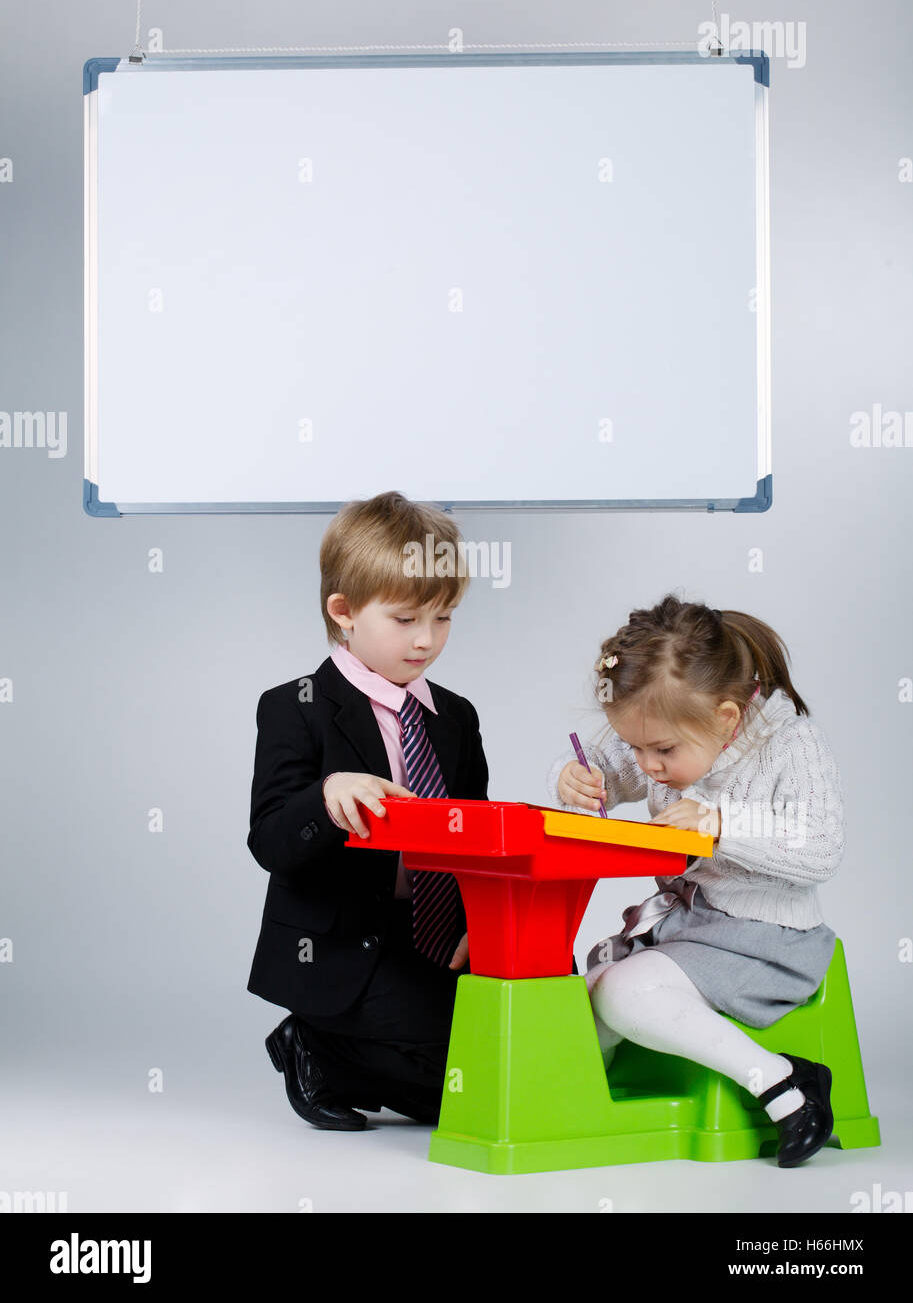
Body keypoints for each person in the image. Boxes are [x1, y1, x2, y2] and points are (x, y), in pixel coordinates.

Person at [545, 594, 845, 1168]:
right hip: (692, 927)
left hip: (768, 939)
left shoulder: (790, 745)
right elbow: (607, 765)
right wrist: (571, 775)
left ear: (726, 717)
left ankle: (786, 1084)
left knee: (622, 991)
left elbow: (822, 846)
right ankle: (583, 1110)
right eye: (635, 745)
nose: (647, 764)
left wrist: (720, 824)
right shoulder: (668, 726)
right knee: (590, 992)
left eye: (661, 750)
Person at [246, 490, 488, 1130]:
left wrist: (480, 919)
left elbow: (473, 830)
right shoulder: (293, 706)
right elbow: (271, 840)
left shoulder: (456, 717)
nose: (427, 641)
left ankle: (346, 1059)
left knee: (499, 1066)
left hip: (434, 936)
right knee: (460, 1055)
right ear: (344, 611)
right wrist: (324, 799)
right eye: (406, 619)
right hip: (345, 949)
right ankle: (315, 1040)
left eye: (444, 618)